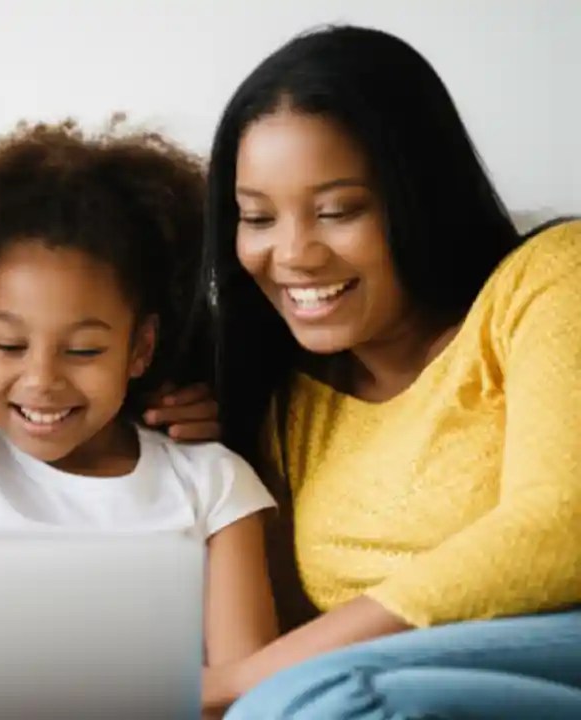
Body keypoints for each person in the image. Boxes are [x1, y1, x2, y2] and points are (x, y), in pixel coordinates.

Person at [191, 25, 581, 718]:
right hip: (394, 697)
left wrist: (238, 682)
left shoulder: (551, 278)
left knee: (322, 697)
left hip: (553, 649)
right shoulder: (287, 405)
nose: (293, 255)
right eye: (256, 217)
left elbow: (559, 529)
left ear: (420, 194)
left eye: (338, 210)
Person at [0, 120, 279, 669]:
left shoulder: (212, 482)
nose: (41, 380)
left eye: (82, 351)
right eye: (10, 344)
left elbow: (247, 686)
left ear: (140, 348)